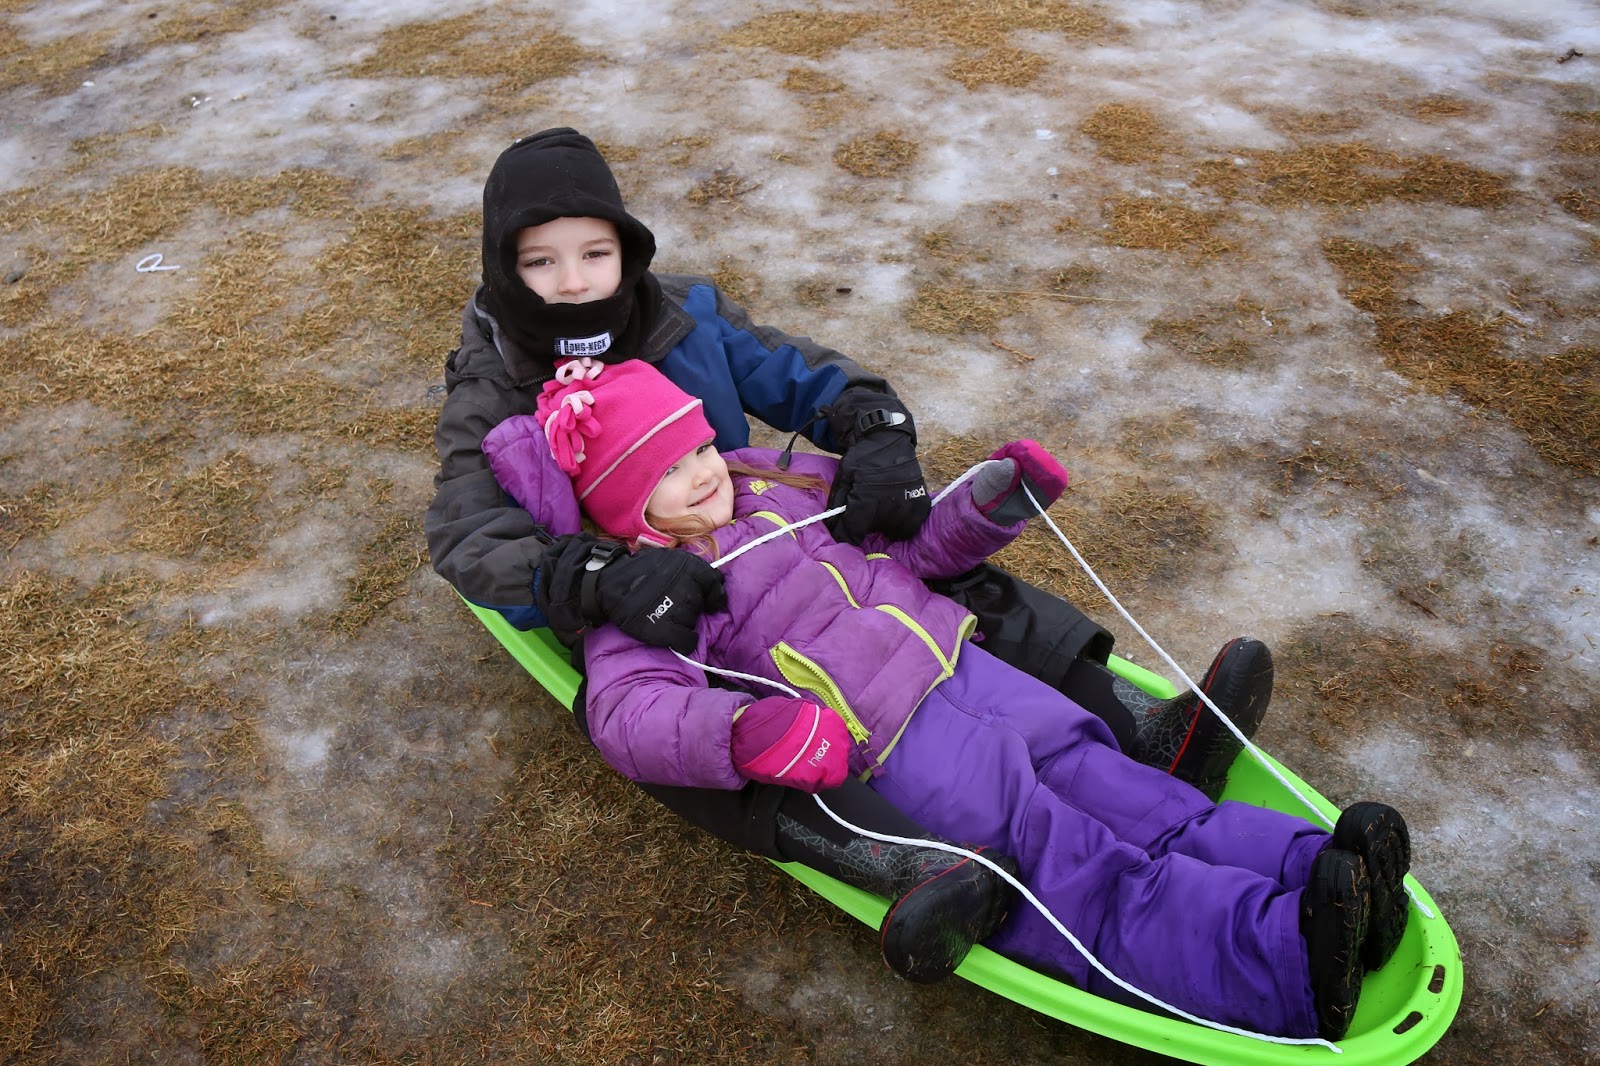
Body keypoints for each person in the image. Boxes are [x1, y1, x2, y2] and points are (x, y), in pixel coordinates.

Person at [424, 126, 1272, 979]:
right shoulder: (493, 385)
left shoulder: (677, 315)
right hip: (629, 588)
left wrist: (872, 430)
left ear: (627, 250)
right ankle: (893, 858)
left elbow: (805, 374)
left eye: (594, 253)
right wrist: (599, 578)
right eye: (540, 263)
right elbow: (466, 534)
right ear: (505, 267)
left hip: (742, 503)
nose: (572, 283)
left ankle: (1142, 729)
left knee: (898, 556)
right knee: (680, 724)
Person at [483, 357, 1415, 1041]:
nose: (706, 468)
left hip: (984, 683)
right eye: (671, 470)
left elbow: (905, 560)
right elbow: (631, 715)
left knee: (1152, 804)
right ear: (620, 510)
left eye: (698, 442)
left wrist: (977, 518)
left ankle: (1326, 878)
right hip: (912, 755)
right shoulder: (641, 602)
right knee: (1079, 871)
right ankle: (1288, 963)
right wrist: (745, 731)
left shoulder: (776, 489)